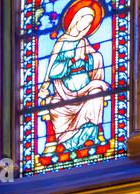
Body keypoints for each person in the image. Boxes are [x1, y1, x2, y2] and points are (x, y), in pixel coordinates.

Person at [37, 0, 111, 158]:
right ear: (76, 20)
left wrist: (88, 59)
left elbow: (95, 60)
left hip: (85, 85)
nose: (85, 27)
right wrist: (71, 62)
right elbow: (53, 71)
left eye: (89, 24)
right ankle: (65, 143)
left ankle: (90, 137)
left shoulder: (84, 42)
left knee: (97, 91)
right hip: (65, 91)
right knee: (55, 104)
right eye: (84, 22)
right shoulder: (61, 43)